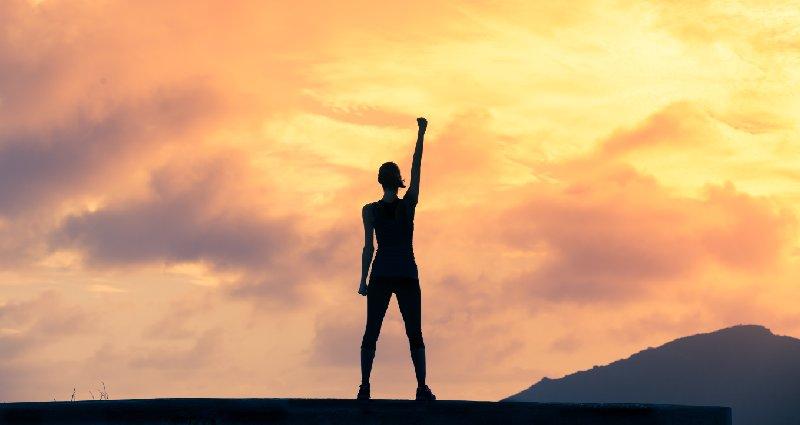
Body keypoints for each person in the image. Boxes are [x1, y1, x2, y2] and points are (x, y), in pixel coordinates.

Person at [356, 117, 435, 402]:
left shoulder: (370, 210)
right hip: (406, 275)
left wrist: (362, 280)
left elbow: (369, 248)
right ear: (398, 181)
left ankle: (364, 387)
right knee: (415, 333)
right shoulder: (408, 204)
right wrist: (421, 133)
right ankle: (422, 388)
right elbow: (417, 165)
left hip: (381, 274)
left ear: (380, 181)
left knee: (371, 332)